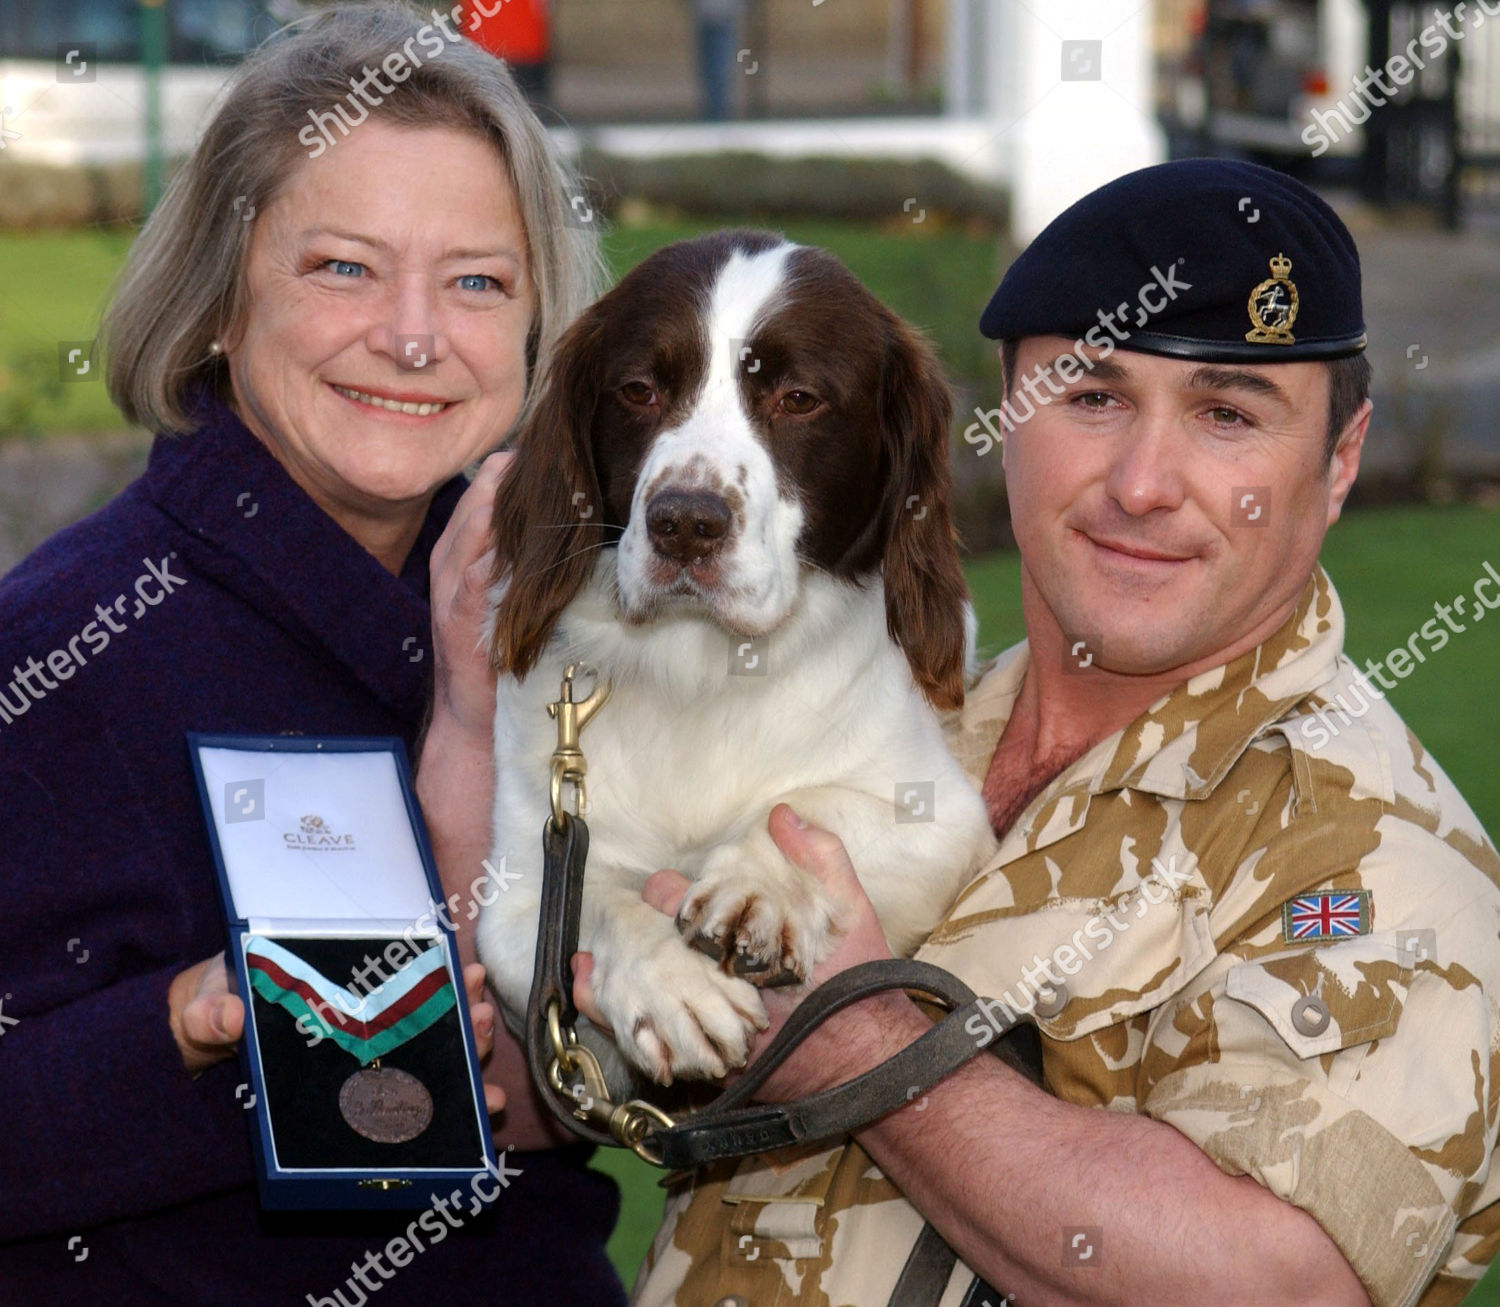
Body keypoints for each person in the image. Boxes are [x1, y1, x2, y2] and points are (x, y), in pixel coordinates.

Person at [620, 159, 1500, 1306]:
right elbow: (577, 1065)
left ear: (1339, 462)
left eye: (1227, 415)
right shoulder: (884, 720)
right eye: (1091, 396)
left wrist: (862, 1044)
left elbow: (1276, 1282)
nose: (1142, 483)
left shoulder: (1377, 856)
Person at [0, 4, 624, 1303]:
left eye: (477, 281)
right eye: (344, 267)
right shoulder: (60, 651)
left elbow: (569, 1102)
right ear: (221, 300)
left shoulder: (569, 627)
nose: (413, 335)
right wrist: (190, 1021)